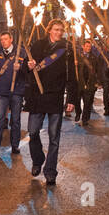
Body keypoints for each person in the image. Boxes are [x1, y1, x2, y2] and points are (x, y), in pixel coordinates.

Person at [24, 19, 77, 186]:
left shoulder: (67, 49)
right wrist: (29, 66)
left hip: (55, 96)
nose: (59, 32)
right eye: (56, 29)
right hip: (38, 96)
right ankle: (38, 160)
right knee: (33, 132)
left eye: (61, 30)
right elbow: (27, 69)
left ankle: (50, 171)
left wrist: (71, 99)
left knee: (54, 137)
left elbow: (72, 76)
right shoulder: (38, 45)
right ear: (49, 30)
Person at [0, 30, 28, 154]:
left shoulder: (21, 53)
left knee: (15, 120)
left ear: (11, 40)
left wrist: (20, 68)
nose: (3, 41)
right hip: (1, 91)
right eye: (1, 39)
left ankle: (15, 145)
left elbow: (28, 72)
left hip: (16, 91)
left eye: (6, 39)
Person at [74, 38, 102, 124]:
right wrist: (75, 64)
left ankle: (85, 118)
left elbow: (98, 70)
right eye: (87, 46)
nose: (89, 48)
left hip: (90, 83)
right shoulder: (77, 56)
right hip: (79, 83)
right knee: (77, 100)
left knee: (88, 103)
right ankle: (78, 113)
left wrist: (98, 82)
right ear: (83, 47)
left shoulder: (94, 58)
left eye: (90, 46)